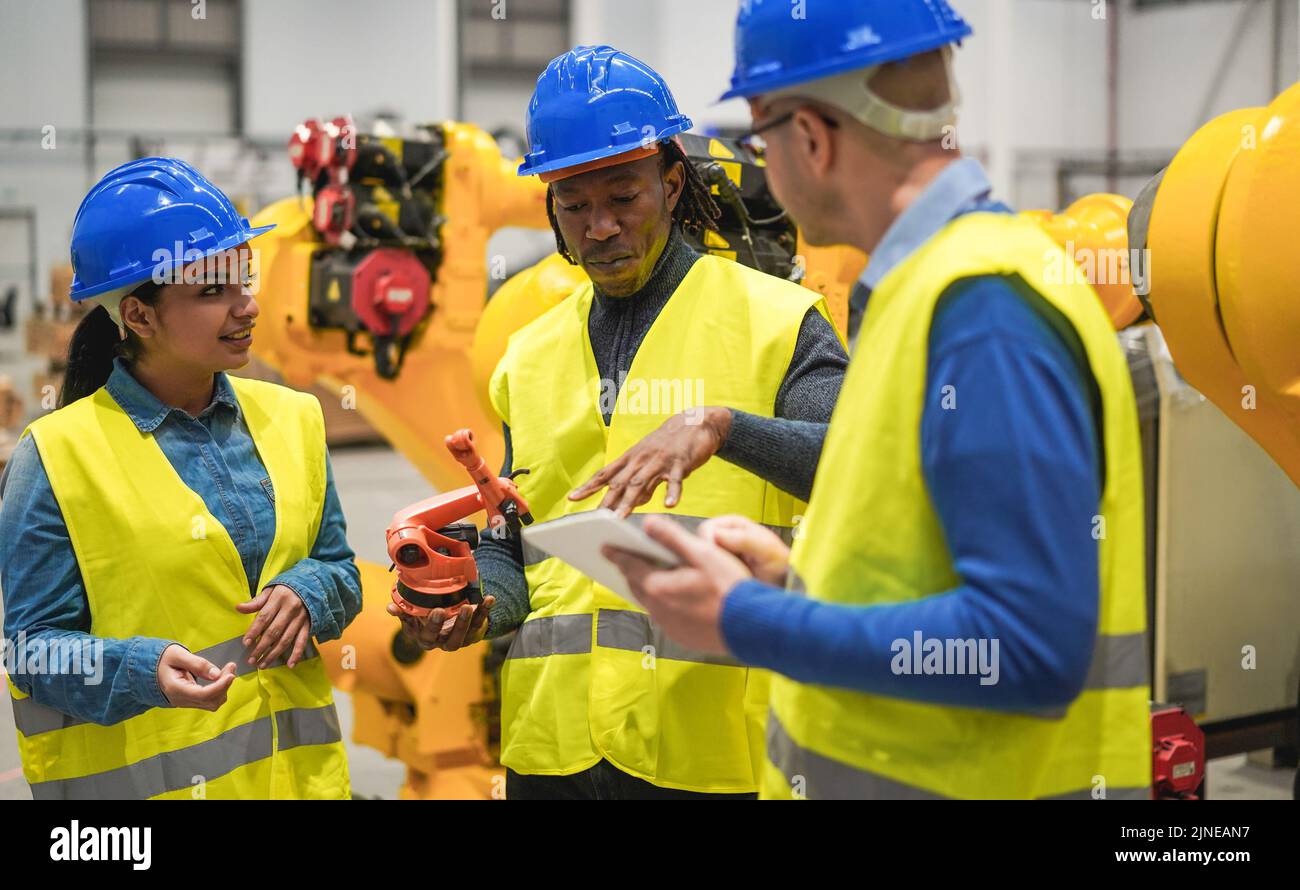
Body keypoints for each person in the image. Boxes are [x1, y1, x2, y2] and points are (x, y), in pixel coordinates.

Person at [605, 1, 1152, 800]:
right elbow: (934, 574)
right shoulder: (926, 293)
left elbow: (1027, 646)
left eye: (761, 137)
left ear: (812, 139)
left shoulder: (981, 310)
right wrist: (799, 585)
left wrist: (748, 620)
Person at [392, 45, 848, 800]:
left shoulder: (779, 323)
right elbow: (520, 538)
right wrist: (476, 605)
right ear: (551, 207)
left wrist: (726, 427)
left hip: (709, 754)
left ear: (671, 185)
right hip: (553, 752)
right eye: (574, 205)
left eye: (623, 197)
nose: (598, 227)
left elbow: (851, 467)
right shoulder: (528, 354)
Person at [0, 157, 362, 799]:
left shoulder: (293, 418)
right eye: (211, 291)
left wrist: (310, 591)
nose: (246, 306)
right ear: (138, 317)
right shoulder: (56, 455)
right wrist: (137, 670)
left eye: (242, 281)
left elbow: (338, 567)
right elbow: (31, 652)